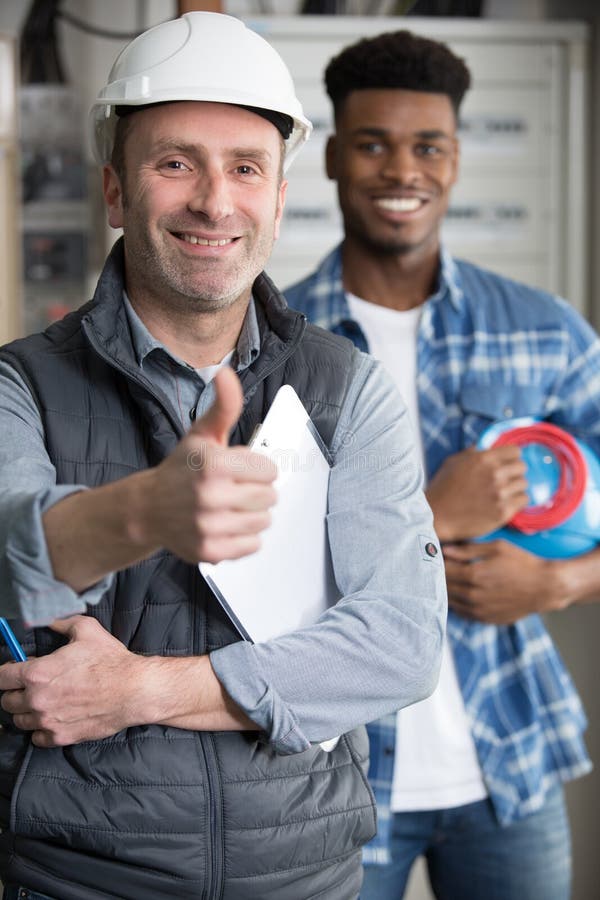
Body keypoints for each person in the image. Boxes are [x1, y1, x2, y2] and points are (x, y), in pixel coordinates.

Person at [0, 13, 446, 900]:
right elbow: (9, 563)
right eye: (175, 163)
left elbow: (399, 644)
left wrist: (140, 691)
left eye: (246, 168)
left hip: (306, 877)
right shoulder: (21, 386)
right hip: (76, 881)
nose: (214, 200)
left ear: (279, 196)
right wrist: (143, 514)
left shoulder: (345, 388)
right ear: (117, 193)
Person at [285, 28, 600, 900]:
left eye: (427, 146)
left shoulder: (543, 328)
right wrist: (434, 515)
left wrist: (558, 585)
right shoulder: (272, 347)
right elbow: (243, 573)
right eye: (374, 144)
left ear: (455, 158)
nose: (401, 171)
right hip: (336, 776)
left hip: (507, 764)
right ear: (335, 158)